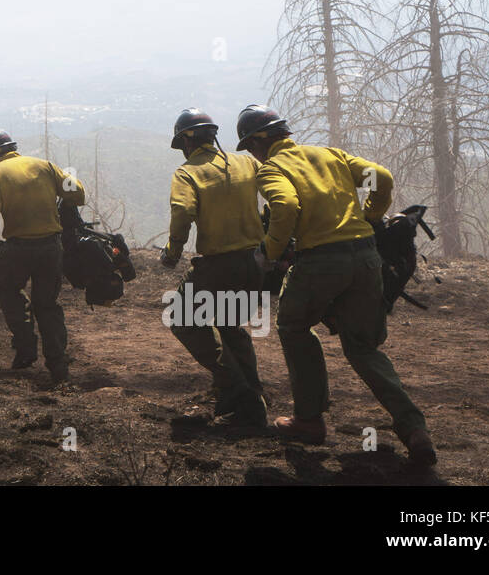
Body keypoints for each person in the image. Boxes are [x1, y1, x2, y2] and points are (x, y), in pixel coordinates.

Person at [236, 104, 437, 466]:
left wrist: (269, 252)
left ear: (259, 142)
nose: (252, 154)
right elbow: (383, 177)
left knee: (294, 327)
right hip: (366, 258)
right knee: (362, 348)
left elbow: (284, 207)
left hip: (319, 262)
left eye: (250, 147)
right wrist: (370, 216)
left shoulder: (272, 169)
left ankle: (309, 420)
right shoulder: (329, 155)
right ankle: (414, 428)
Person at [161, 109, 268, 427]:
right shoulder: (247, 163)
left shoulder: (187, 173)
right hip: (254, 264)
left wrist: (172, 251)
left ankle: (235, 388)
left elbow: (182, 212)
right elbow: (279, 196)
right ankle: (253, 406)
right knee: (232, 328)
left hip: (218, 266)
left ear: (185, 142)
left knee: (181, 317)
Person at [0, 128, 84, 384]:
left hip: (17, 249)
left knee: (9, 292)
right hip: (50, 248)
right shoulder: (44, 165)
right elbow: (78, 193)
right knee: (47, 304)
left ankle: (25, 348)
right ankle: (58, 363)